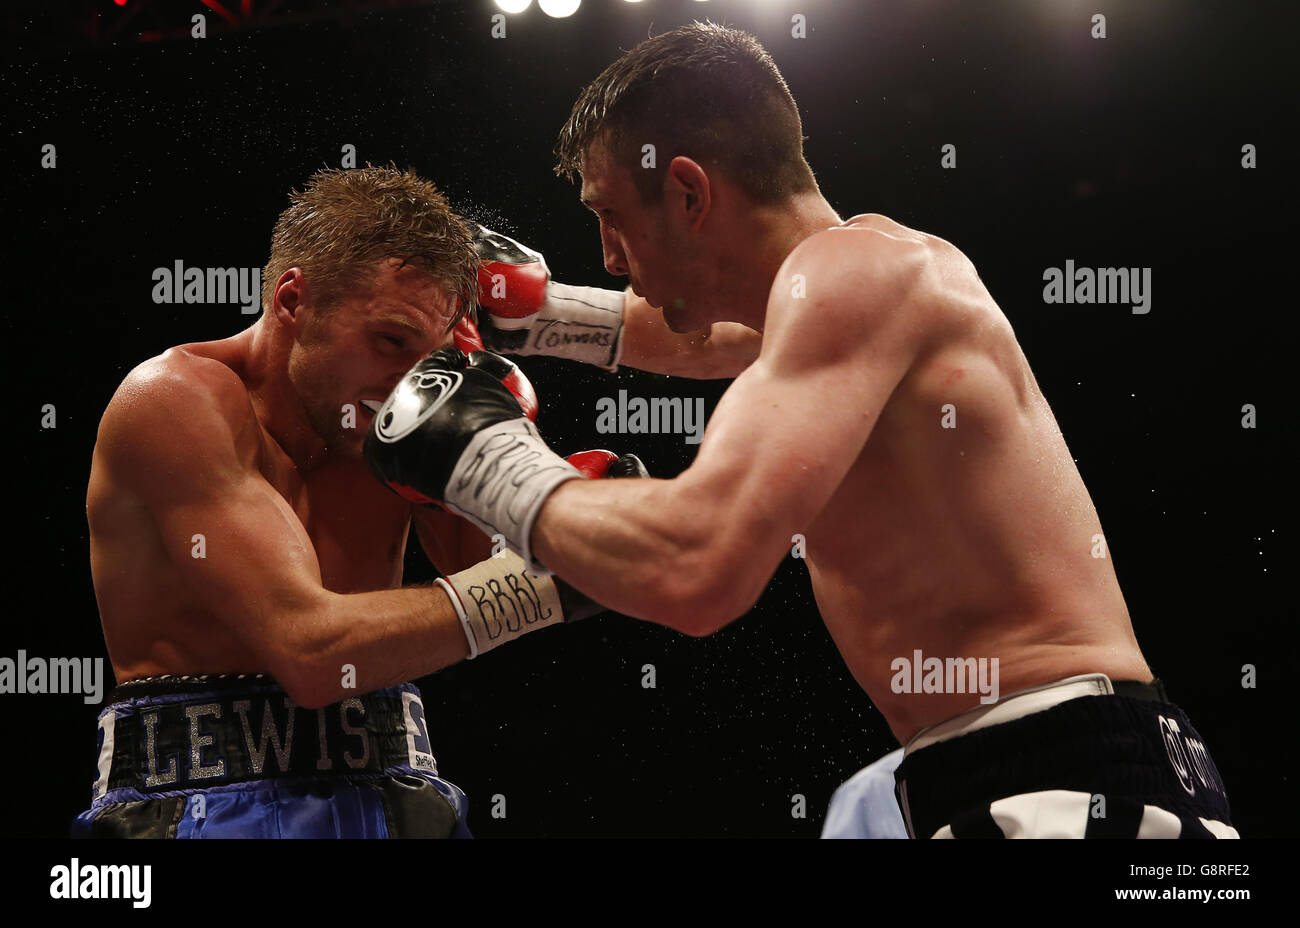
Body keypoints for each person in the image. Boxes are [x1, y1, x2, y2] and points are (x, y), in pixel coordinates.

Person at [364, 24, 1238, 838]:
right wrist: (538, 317)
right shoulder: (844, 295)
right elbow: (709, 336)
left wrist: (482, 454)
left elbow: (699, 566)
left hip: (1058, 779)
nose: (609, 258)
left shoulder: (852, 275)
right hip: (1012, 763)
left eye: (612, 216)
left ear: (688, 190)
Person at [75, 165, 658, 838]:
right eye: (389, 340)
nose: (409, 381)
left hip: (396, 792)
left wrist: (533, 496)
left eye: (431, 355)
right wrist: (549, 585)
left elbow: (482, 567)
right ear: (294, 299)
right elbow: (311, 654)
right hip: (199, 804)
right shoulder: (175, 403)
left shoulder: (404, 412)